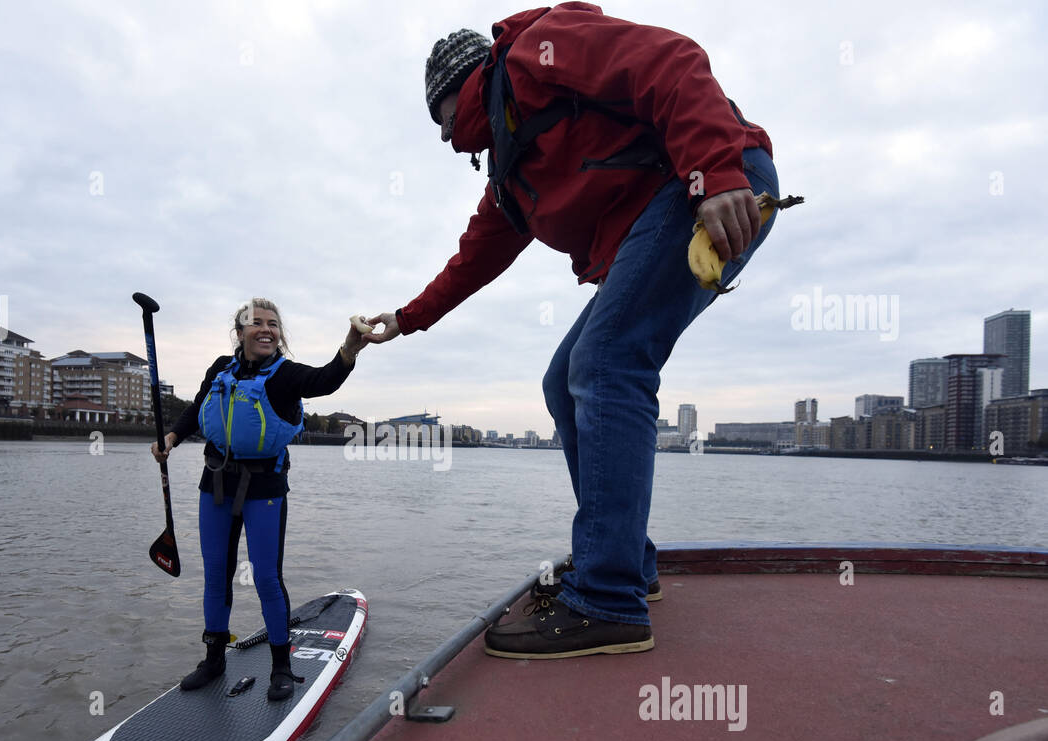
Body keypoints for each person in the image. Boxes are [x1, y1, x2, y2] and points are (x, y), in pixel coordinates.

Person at [363, 3, 781, 659]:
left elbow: (667, 60)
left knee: (606, 364)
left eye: (441, 120)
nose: (446, 139)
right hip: (669, 206)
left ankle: (605, 600)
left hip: (710, 182)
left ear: (460, 90)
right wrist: (406, 319)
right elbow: (471, 262)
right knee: (563, 380)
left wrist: (714, 171)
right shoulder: (512, 179)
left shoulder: (539, 52)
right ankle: (628, 567)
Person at [152, 300, 367, 699]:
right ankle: (213, 658)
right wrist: (171, 438)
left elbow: (325, 380)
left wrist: (350, 347)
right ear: (241, 333)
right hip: (215, 483)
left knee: (266, 576)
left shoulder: (285, 375)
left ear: (279, 334)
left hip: (265, 488)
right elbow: (198, 406)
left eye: (273, 325)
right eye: (256, 324)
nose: (266, 330)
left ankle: (282, 666)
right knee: (216, 573)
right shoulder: (219, 368)